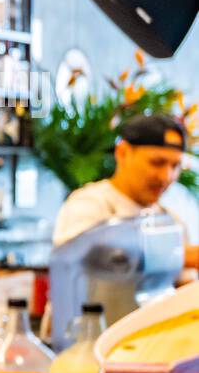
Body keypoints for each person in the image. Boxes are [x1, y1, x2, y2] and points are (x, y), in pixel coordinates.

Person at [52, 114, 199, 272]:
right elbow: (75, 259)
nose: (166, 176)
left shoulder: (172, 222)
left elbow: (185, 288)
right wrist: (180, 255)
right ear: (123, 153)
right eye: (157, 162)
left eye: (175, 166)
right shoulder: (89, 204)